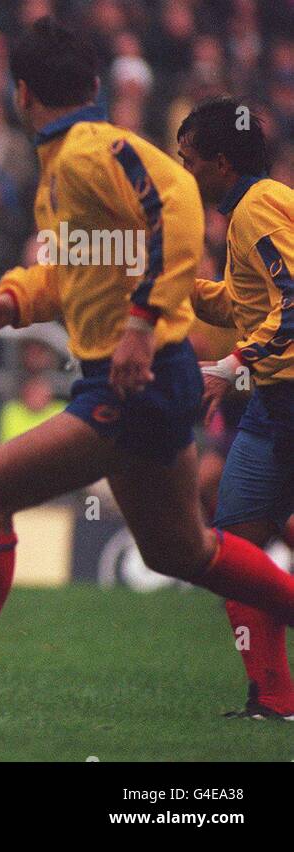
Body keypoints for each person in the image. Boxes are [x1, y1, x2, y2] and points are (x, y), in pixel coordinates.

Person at [0, 19, 294, 730]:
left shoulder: (95, 151)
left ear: (23, 93)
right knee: (183, 548)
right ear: (92, 85)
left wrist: (141, 322)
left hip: (138, 378)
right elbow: (78, 270)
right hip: (143, 375)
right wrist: (14, 301)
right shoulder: (67, 165)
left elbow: (179, 207)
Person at [179, 97, 294, 720]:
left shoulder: (257, 209)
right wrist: (181, 287)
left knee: (238, 550)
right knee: (238, 549)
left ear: (220, 163)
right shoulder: (253, 209)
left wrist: (231, 365)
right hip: (277, 402)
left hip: (285, 395)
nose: (182, 171)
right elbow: (245, 302)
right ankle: (273, 700)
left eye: (187, 159)